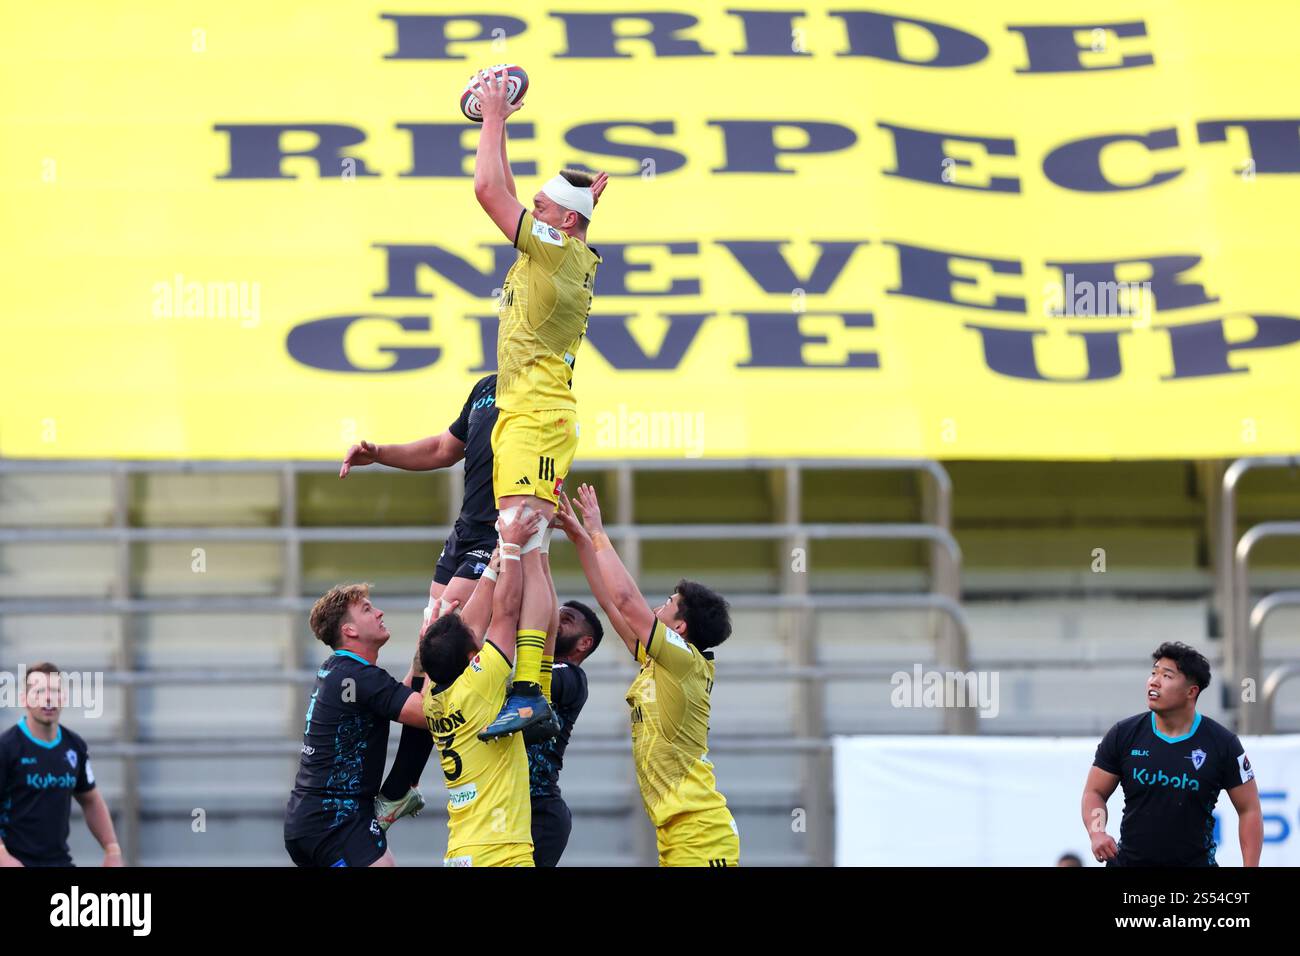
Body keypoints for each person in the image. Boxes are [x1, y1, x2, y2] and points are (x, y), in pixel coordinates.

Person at [468, 64, 608, 740]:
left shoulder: (553, 255)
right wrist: (580, 197)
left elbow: (490, 189)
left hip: (536, 420)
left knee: (522, 545)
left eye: (543, 212)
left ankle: (528, 685)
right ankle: (529, 683)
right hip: (532, 420)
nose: (533, 215)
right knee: (531, 551)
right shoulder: (566, 250)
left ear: (559, 224)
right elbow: (529, 199)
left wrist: (495, 113)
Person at [339, 374, 499, 829]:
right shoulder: (486, 386)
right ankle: (398, 788)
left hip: (498, 534)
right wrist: (381, 454)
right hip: (466, 531)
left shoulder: (542, 387)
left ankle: (399, 789)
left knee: (442, 652)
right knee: (422, 665)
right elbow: (442, 449)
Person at [556, 485, 740, 867]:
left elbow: (626, 599)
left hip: (700, 834)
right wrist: (579, 537)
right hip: (677, 832)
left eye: (668, 605)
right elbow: (610, 601)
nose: (657, 607)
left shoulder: (682, 661)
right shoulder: (662, 660)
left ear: (682, 628)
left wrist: (597, 531)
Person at [419, 507, 544, 866]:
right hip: (500, 851)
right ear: (473, 655)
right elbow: (505, 613)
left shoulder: (432, 700)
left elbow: (455, 639)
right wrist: (511, 548)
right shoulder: (479, 682)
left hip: (463, 850)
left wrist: (492, 567)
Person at [283, 585, 431, 867]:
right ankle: (396, 794)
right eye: (366, 609)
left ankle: (397, 794)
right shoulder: (358, 676)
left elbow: (399, 699)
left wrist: (421, 661)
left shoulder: (341, 669)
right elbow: (427, 713)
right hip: (334, 820)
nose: (379, 612)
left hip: (316, 819)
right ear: (349, 630)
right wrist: (450, 659)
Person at [1081, 641, 1263, 867]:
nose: (1154, 681)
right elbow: (1094, 791)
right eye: (1153, 672)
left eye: (1167, 676)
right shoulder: (1124, 734)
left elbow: (1249, 809)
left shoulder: (1223, 744)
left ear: (1191, 691)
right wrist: (1097, 832)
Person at [0, 663, 122, 868]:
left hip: (58, 862)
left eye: (55, 691)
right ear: (24, 699)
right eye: (38, 692)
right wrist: (2, 856)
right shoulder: (7, 748)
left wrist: (112, 849)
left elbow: (91, 799)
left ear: (64, 698)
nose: (48, 698)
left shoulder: (74, 746)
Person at [529, 599, 602, 867]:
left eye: (566, 619)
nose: (555, 620)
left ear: (584, 643)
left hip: (539, 813)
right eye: (555, 614)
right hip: (503, 806)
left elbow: (523, 682)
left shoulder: (572, 677)